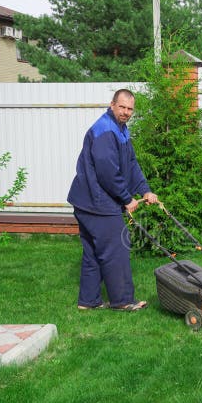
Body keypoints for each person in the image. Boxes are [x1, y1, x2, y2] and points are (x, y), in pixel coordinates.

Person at [67, 89, 159, 311]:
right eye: (122, 107)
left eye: (130, 109)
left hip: (87, 201)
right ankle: (123, 300)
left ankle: (88, 302)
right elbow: (107, 172)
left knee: (93, 252)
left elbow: (131, 164)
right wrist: (127, 199)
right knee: (116, 248)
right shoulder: (105, 130)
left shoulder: (120, 130)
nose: (126, 112)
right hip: (97, 202)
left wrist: (145, 190)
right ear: (112, 105)